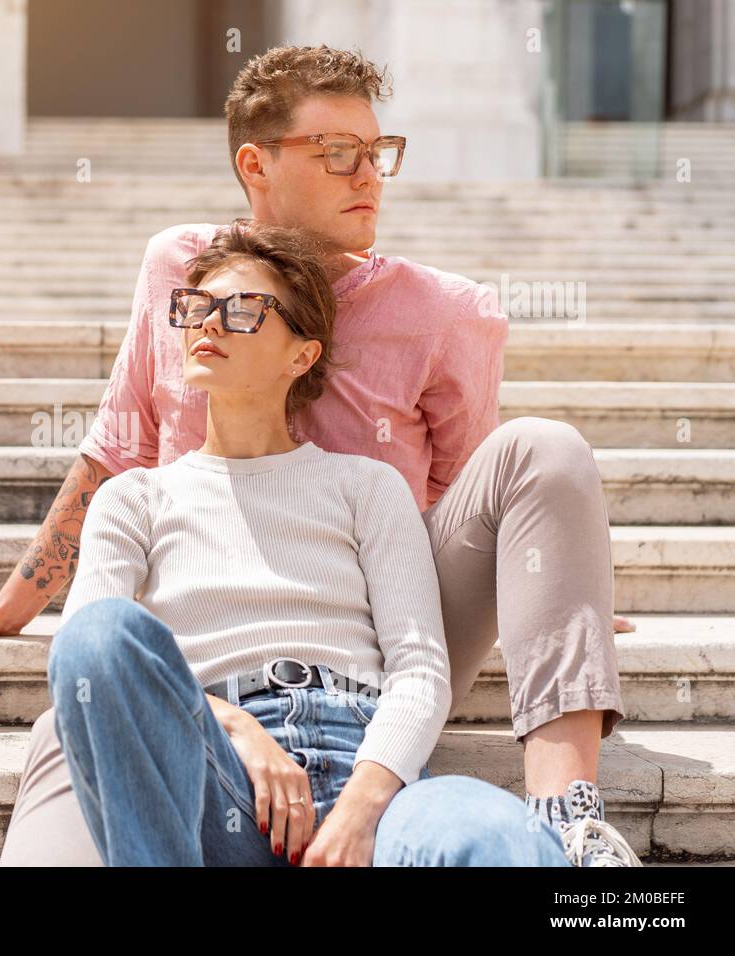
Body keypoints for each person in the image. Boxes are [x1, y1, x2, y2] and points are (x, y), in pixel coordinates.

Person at [0, 44, 639, 867]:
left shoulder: (443, 311)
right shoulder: (183, 276)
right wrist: (12, 605)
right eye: (338, 154)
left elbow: (468, 487)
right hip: (203, 670)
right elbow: (118, 450)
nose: (368, 175)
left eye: (377, 153)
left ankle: (569, 817)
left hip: (383, 610)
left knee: (544, 448)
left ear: (305, 352)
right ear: (255, 165)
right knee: (91, 675)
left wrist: (550, 586)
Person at [35, 219, 573, 865]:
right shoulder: (135, 498)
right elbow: (86, 660)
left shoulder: (366, 486)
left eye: (243, 310)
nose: (208, 323)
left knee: (490, 828)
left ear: (302, 355)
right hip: (216, 770)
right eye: (196, 307)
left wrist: (361, 808)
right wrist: (237, 732)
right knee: (100, 632)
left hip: (366, 761)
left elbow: (420, 668)